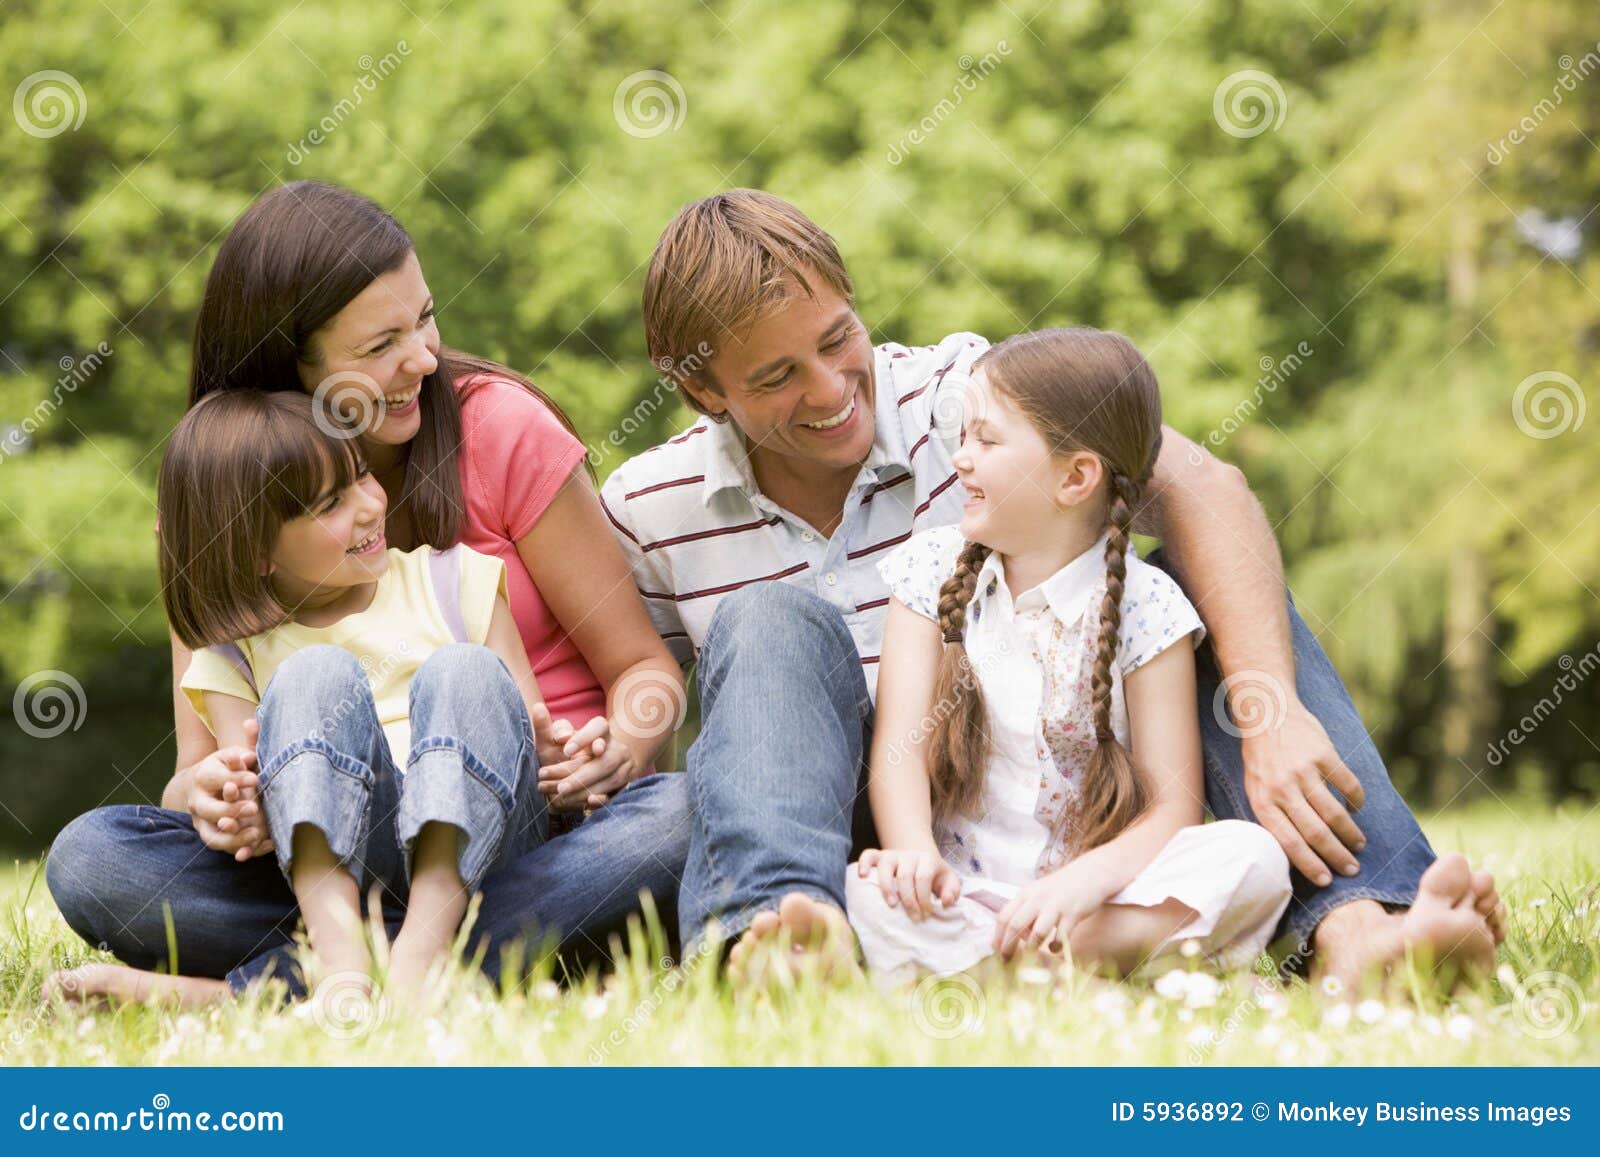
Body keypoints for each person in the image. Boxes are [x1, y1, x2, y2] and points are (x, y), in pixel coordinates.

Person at [600, 189, 1503, 989]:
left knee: (1182, 590)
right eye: (776, 377)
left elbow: (1202, 490)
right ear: (699, 390)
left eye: (840, 340)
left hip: (1054, 806)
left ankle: (1362, 931)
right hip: (858, 845)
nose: (834, 388)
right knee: (768, 624)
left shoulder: (969, 396)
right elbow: (631, 699)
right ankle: (790, 945)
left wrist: (1264, 708)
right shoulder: (647, 508)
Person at [46, 182, 690, 999]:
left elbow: (648, 671)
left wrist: (616, 751)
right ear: (288, 363)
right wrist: (206, 800)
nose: (422, 359)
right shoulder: (221, 512)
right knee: (94, 859)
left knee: (681, 815)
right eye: (381, 343)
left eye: (425, 318)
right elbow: (196, 770)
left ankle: (285, 985)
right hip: (316, 857)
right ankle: (430, 968)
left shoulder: (500, 431)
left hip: (522, 831)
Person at [848, 328, 1292, 978]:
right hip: (962, 896)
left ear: (1075, 476)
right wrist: (914, 853)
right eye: (962, 436)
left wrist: (1083, 884)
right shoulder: (927, 571)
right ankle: (1086, 964)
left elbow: (1172, 805)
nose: (961, 458)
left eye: (987, 439)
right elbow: (897, 751)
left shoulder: (1148, 605)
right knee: (864, 887)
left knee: (1252, 856)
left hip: (1095, 901)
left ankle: (1023, 965)